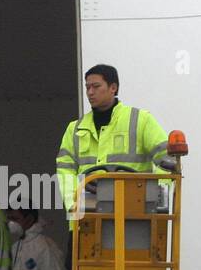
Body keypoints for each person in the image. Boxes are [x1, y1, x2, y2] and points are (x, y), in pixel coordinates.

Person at [56, 64, 169, 225]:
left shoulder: (140, 120)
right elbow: (64, 170)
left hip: (135, 217)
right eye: (87, 87)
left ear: (113, 88)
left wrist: (156, 200)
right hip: (87, 220)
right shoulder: (74, 128)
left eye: (96, 86)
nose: (90, 92)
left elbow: (166, 158)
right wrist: (74, 205)